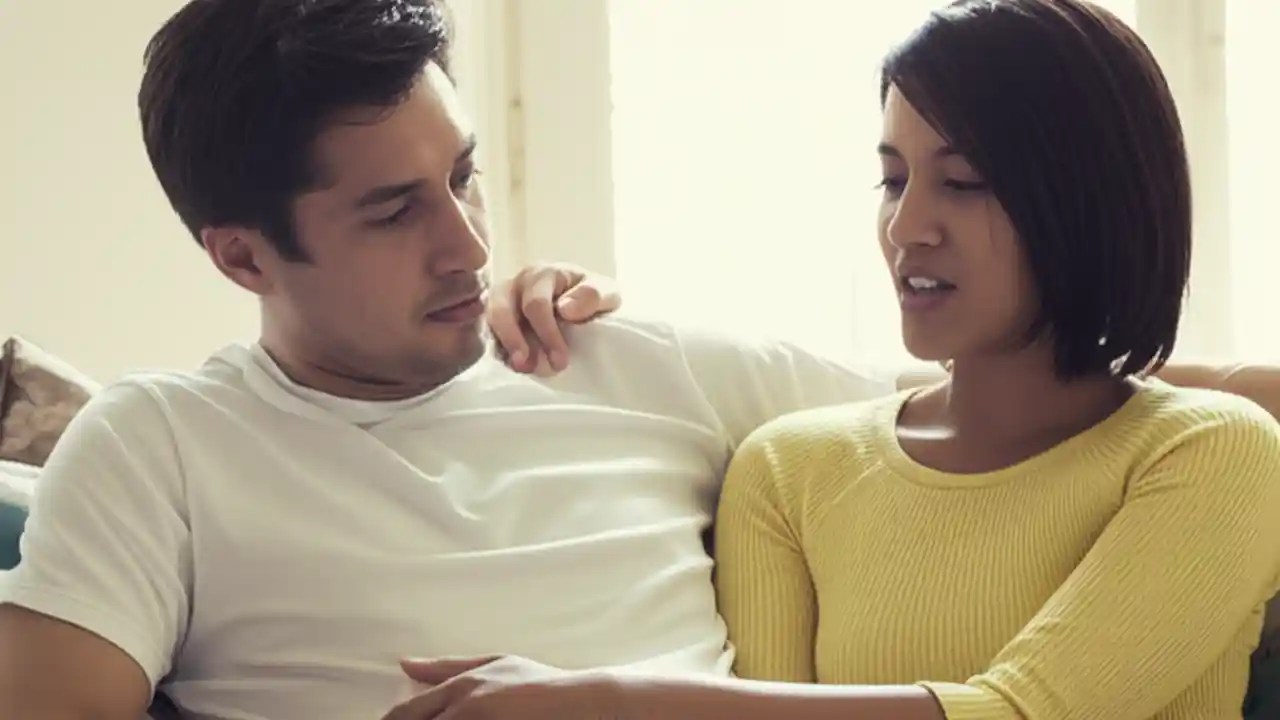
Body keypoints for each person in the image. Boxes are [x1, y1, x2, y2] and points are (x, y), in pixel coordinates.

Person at [0, 2, 906, 719]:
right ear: (242, 256)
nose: (468, 248)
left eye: (463, 177)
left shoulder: (630, 360)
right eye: (395, 213)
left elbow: (995, 404)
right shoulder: (159, 446)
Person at [387, 1, 1280, 719]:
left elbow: (1021, 710)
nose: (907, 226)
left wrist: (605, 697)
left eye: (962, 183)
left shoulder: (1216, 454)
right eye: (894, 178)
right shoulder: (792, 469)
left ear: (1086, 201)